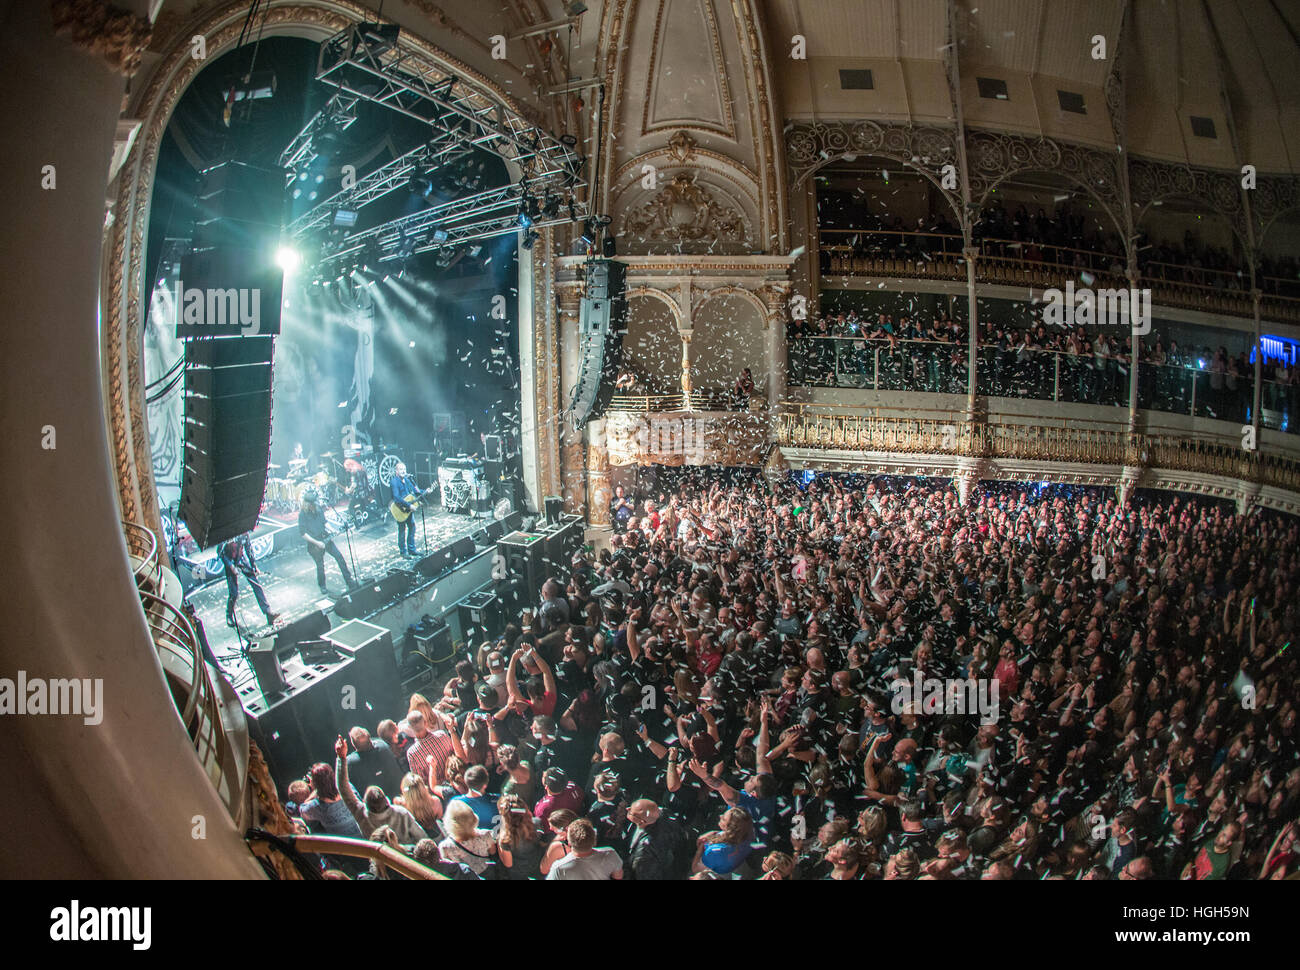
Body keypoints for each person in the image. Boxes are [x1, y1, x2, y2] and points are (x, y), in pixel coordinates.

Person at [298, 488, 355, 596]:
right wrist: (316, 543)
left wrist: (333, 530)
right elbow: (303, 533)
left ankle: (349, 580)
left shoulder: (318, 509)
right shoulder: (302, 515)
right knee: (320, 565)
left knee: (339, 557)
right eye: (313, 503)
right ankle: (322, 586)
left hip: (325, 538)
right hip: (314, 544)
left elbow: (325, 523)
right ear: (308, 504)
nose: (315, 504)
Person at [218, 533, 278, 630]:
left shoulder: (244, 534)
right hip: (230, 561)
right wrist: (231, 566)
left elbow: (248, 548)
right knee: (234, 593)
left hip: (241, 559)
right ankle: (229, 615)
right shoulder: (227, 534)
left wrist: (254, 565)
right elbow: (220, 553)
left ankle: (268, 612)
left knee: (256, 585)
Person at [546, 817, 624, 880]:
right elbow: (618, 876)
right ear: (594, 839)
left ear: (569, 842)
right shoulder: (610, 853)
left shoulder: (559, 868)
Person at [389, 462, 423, 557]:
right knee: (402, 530)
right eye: (401, 469)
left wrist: (426, 491)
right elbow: (397, 497)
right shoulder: (394, 482)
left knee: (412, 527)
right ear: (396, 471)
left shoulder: (407, 481)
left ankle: (412, 549)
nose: (403, 471)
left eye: (404, 469)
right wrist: (409, 506)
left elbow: (415, 492)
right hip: (399, 509)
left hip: (408, 510)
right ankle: (403, 552)